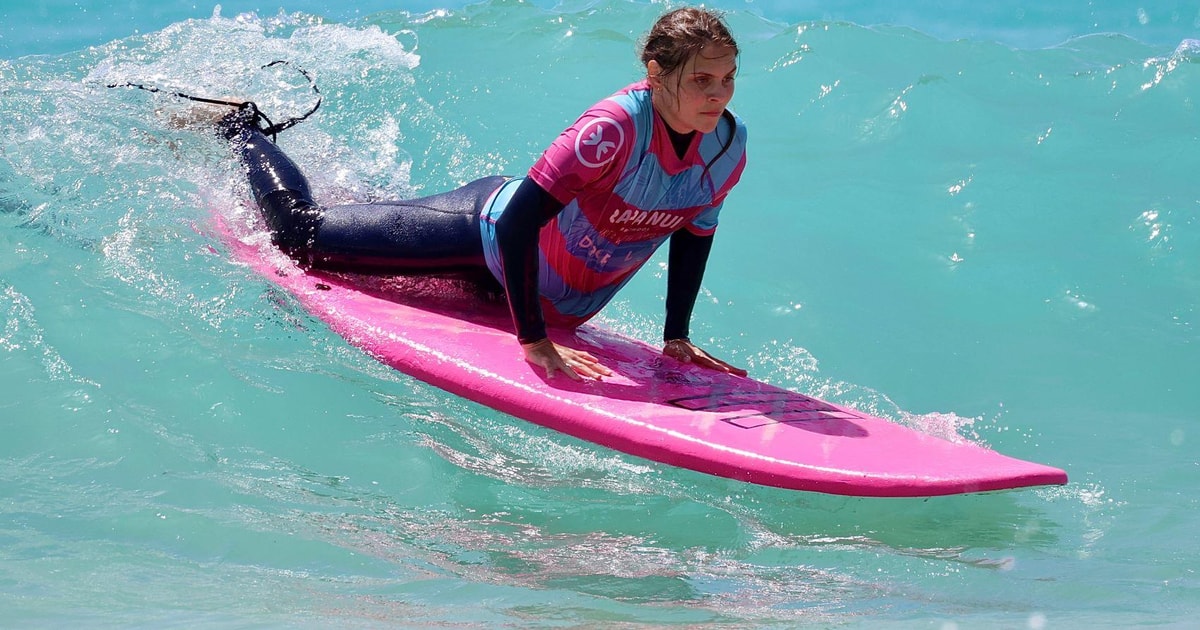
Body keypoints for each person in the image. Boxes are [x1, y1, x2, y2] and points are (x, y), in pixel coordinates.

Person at [218, 6, 748, 381]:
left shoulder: (726, 147)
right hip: (486, 237)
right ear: (656, 74)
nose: (718, 94)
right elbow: (518, 223)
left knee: (372, 228)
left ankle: (367, 202)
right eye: (703, 79)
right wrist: (533, 340)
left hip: (545, 294)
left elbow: (695, 231)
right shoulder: (609, 132)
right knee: (300, 236)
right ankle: (239, 126)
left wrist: (674, 334)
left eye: (727, 79)